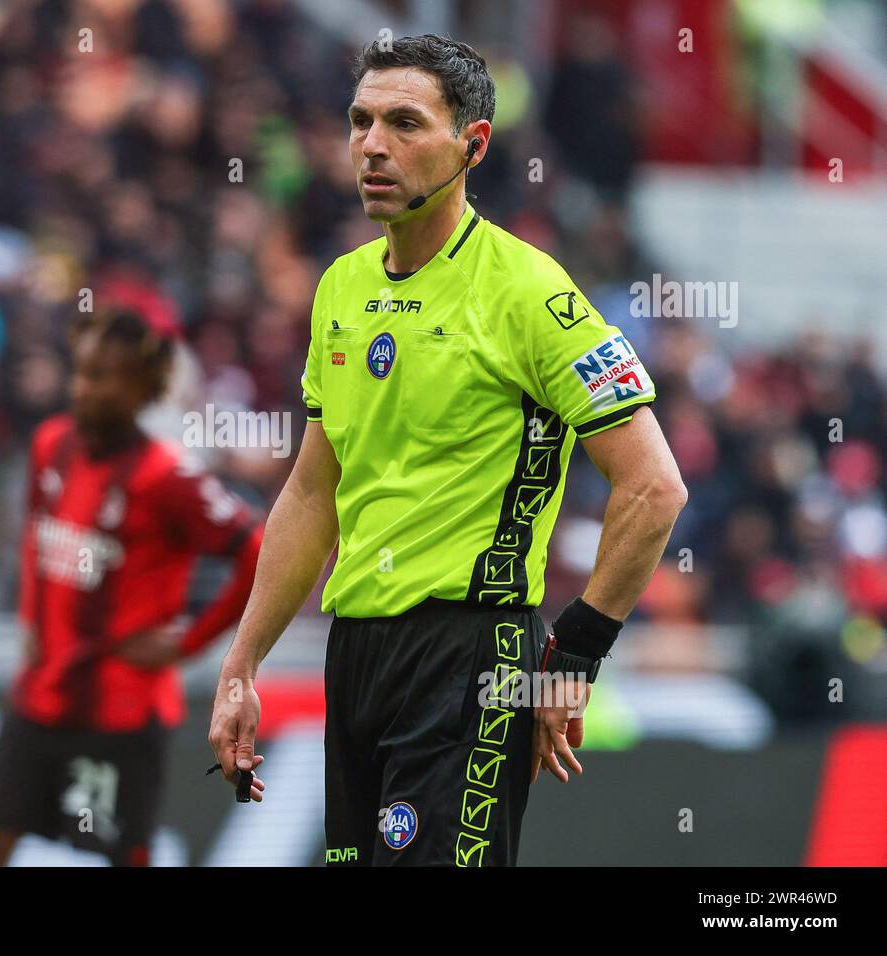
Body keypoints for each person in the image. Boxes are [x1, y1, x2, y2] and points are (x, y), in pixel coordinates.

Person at [207, 35, 687, 866]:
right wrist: (243, 660)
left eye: (404, 123)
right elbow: (312, 494)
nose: (372, 146)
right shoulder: (341, 288)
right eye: (360, 122)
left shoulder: (529, 291)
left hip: (471, 653)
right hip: (354, 651)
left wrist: (567, 662)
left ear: (473, 145)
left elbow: (654, 489)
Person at [0, 307, 263, 866]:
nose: (81, 388)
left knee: (126, 856)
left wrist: (188, 643)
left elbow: (257, 549)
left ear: (140, 389)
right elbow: (35, 534)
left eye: (100, 377)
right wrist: (30, 618)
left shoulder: (168, 477)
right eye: (79, 372)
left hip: (122, 713)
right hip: (39, 698)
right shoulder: (50, 445)